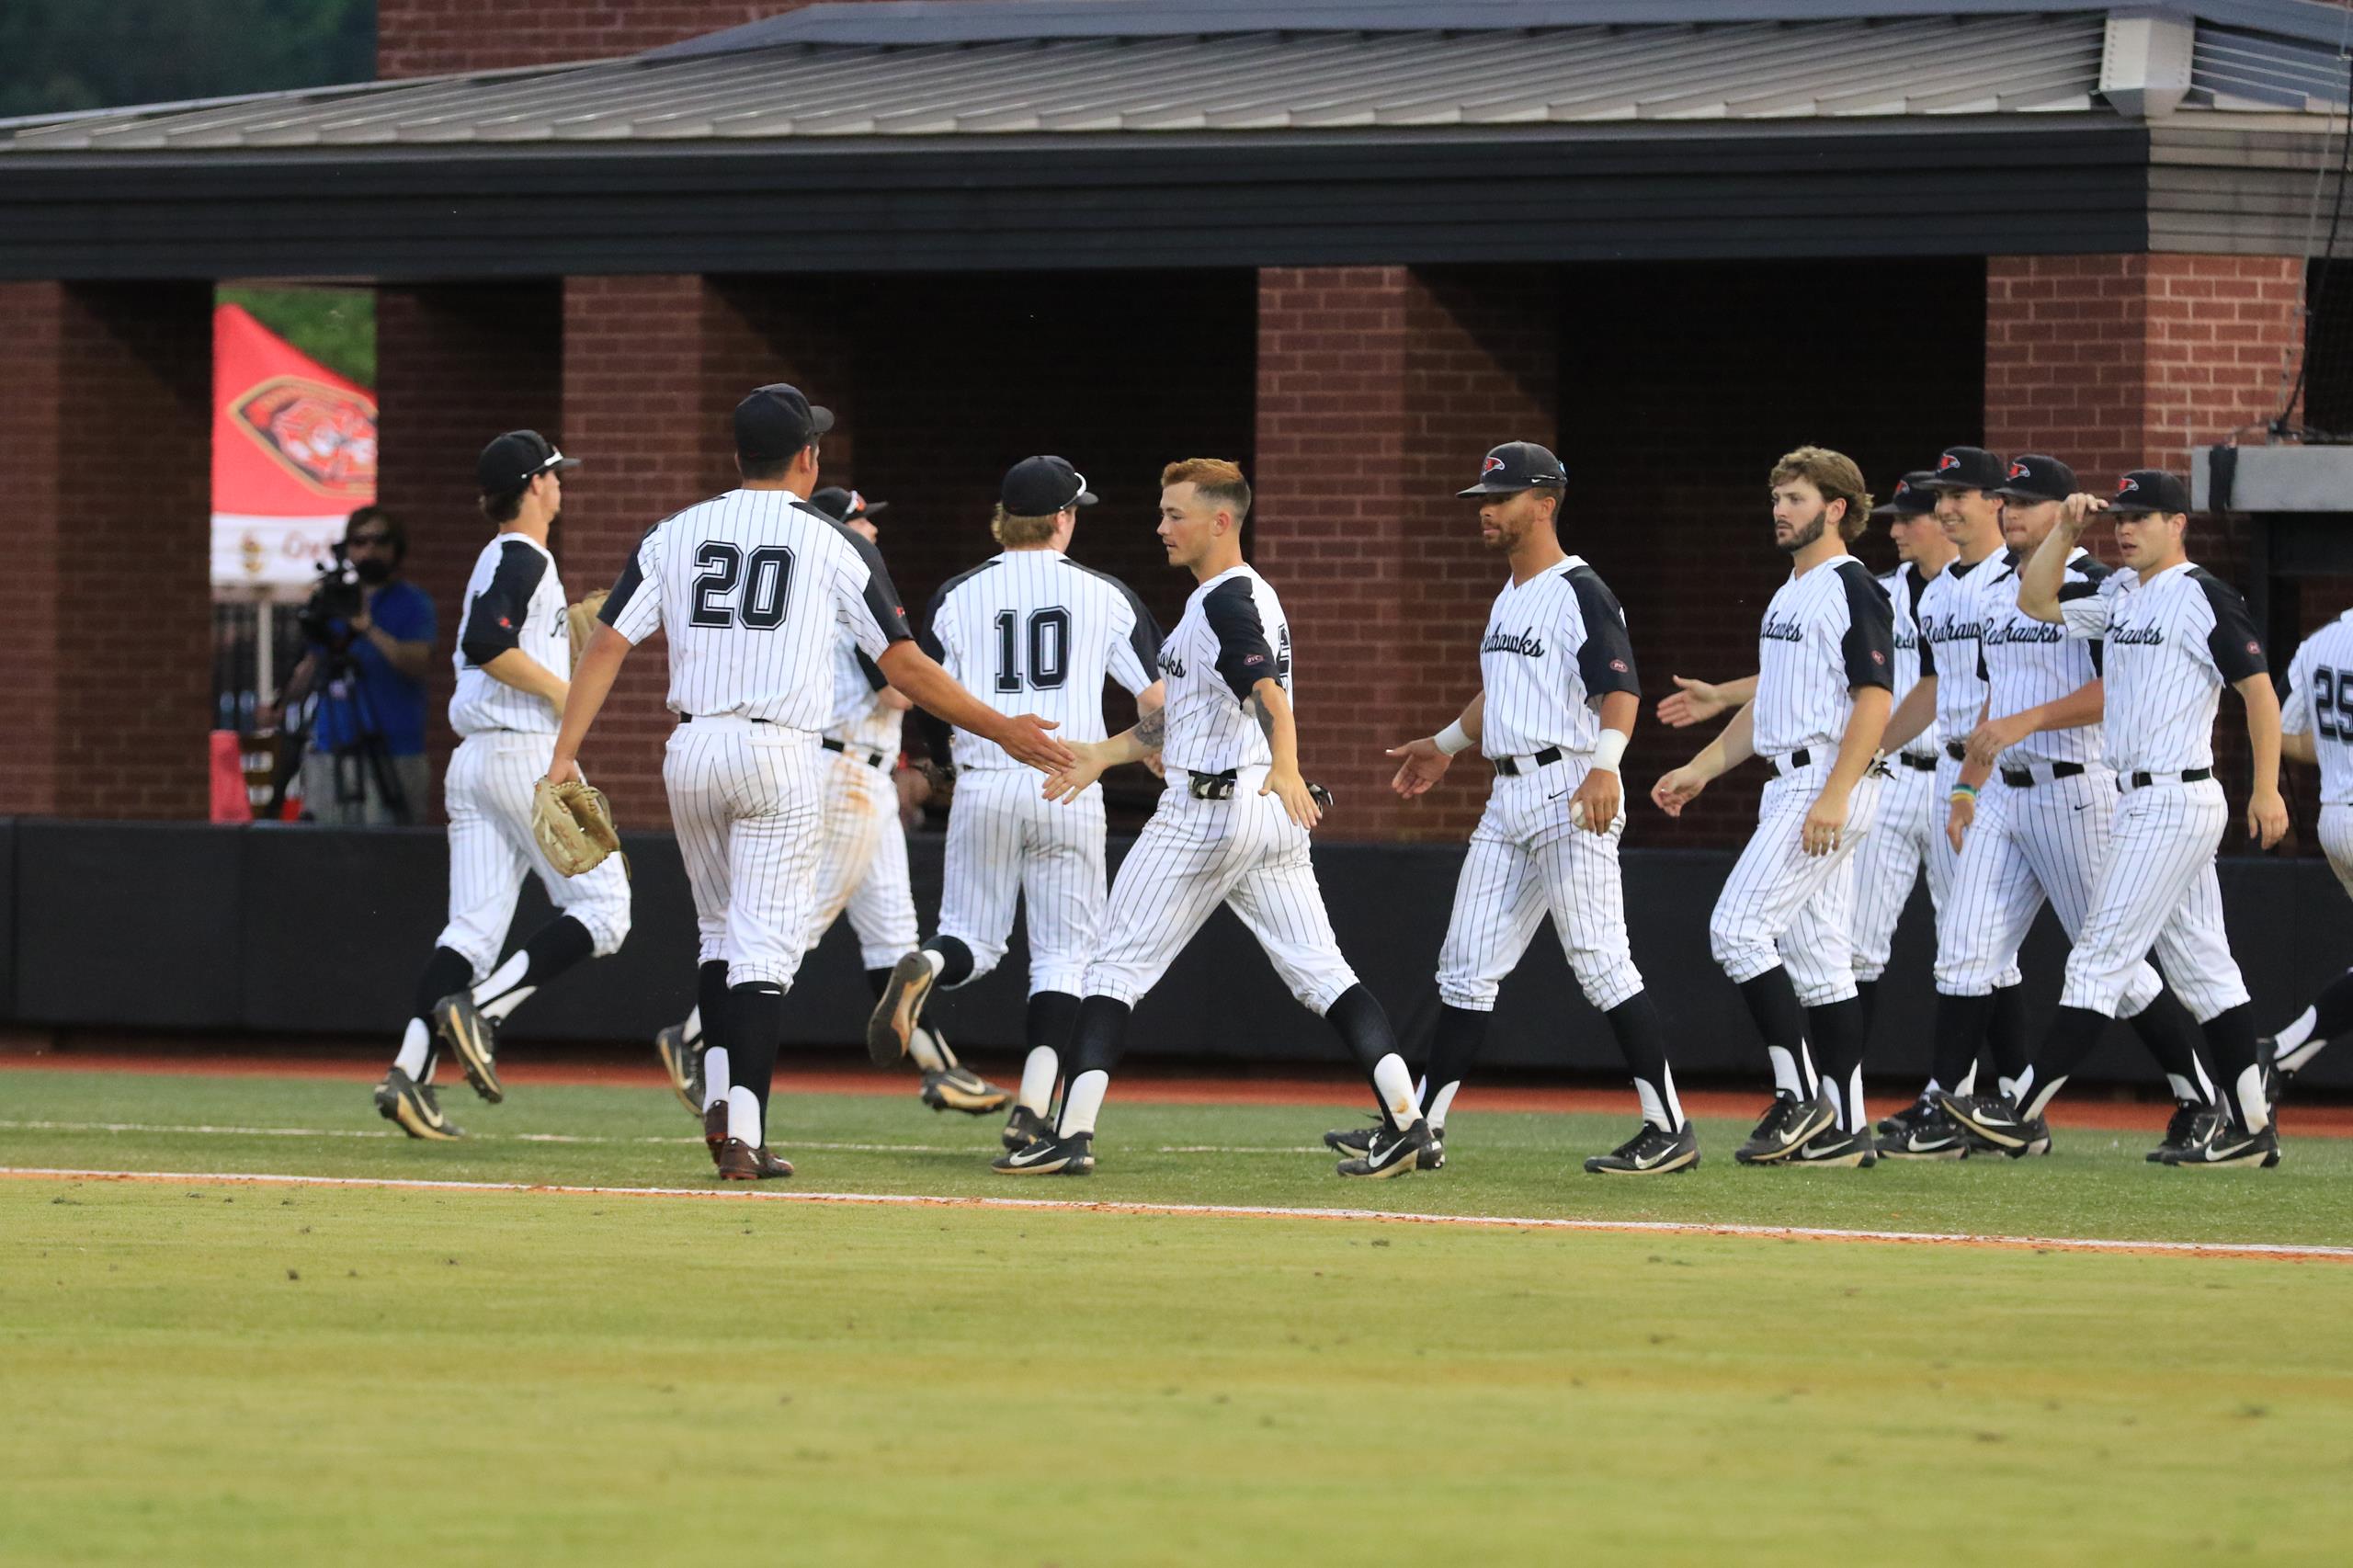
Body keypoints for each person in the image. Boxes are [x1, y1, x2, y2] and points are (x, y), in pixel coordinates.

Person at [553, 384, 1070, 1180]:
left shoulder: (675, 531)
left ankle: (728, 1111)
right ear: (808, 457)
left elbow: (606, 646)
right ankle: (745, 1135)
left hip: (690, 747)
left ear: (735, 455)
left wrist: (563, 759)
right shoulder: (835, 542)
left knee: (720, 939)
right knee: (762, 951)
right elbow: (902, 664)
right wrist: (1000, 726)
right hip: (782, 754)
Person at [992, 459, 1425, 1178]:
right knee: (1323, 972)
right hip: (1260, 812)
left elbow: (1269, 697)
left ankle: (1070, 1135)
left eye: (1174, 515)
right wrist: (1103, 753)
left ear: (1220, 522)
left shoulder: (1226, 600)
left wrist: (1286, 764)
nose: (1161, 527)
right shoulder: (1228, 600)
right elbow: (1185, 715)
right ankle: (1408, 1122)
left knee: (1112, 968)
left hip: (1210, 811)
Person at [1940, 470, 2288, 1167]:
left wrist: (2268, 789)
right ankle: (2251, 1128)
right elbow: (2035, 600)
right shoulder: (2123, 592)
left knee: (2098, 959)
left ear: (2178, 524)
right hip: (2138, 797)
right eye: (2122, 517)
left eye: (2145, 516)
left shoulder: (2200, 594)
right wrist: (2068, 527)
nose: (2128, 529)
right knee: (2204, 972)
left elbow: (2258, 691)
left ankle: (2020, 1110)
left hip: (2176, 794)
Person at [1369, 441, 1692, 1175]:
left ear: (1545, 504)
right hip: (1508, 792)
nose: (1486, 509)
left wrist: (1606, 767)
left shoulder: (1579, 587)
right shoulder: (1511, 594)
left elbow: (1621, 689)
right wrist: (1446, 743)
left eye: (1501, 497)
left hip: (1568, 784)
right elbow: (1503, 695)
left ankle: (1668, 1125)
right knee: (1465, 968)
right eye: (1483, 497)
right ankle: (1422, 1129)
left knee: (1603, 964)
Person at [650, 484, 1013, 1121]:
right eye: (860, 521)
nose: (871, 530)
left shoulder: (837, 572)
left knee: (893, 933)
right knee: (789, 927)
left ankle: (938, 1066)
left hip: (861, 772)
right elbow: (900, 690)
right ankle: (694, 1036)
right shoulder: (834, 575)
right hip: (838, 771)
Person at [1654, 470, 1965, 1158]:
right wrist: (1702, 768)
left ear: (1836, 508)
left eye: (1794, 498)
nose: (1779, 509)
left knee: (1737, 931)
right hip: (1795, 778)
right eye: (1774, 497)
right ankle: (1848, 1128)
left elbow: (1876, 698)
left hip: (1824, 783)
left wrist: (1835, 792)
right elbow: (1772, 704)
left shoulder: (1854, 585)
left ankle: (1799, 1098)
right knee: (1824, 965)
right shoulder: (1791, 592)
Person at [867, 455, 1166, 1151]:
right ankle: (1033, 1110)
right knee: (1064, 959)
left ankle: (930, 967)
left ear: (1004, 520)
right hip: (1069, 780)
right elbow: (1158, 703)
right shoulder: (1105, 593)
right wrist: (1147, 751)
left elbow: (925, 695)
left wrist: (941, 766)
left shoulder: (955, 594)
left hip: (985, 780)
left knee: (972, 937)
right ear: (1063, 519)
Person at [373, 433, 631, 1139]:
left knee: (472, 929)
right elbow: (489, 643)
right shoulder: (523, 553)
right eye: (553, 474)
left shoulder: (504, 556)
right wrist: (558, 687)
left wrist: (550, 651)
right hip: (520, 754)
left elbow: (495, 638)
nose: (560, 484)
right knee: (607, 909)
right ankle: (482, 1010)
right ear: (534, 485)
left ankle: (409, 1075)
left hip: (475, 761)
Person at [285, 506, 437, 824]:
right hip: (331, 746)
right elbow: (303, 680)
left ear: (396, 549)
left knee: (390, 854)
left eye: (380, 541)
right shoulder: (335, 600)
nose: (369, 550)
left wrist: (367, 627)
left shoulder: (413, 602)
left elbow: (416, 664)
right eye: (359, 541)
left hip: (394, 750)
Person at [2262, 606, 2353, 1085]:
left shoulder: (2323, 641)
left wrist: (2341, 751)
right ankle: (2277, 1055)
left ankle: (2281, 1056)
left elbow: (2272, 726)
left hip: (2336, 815)